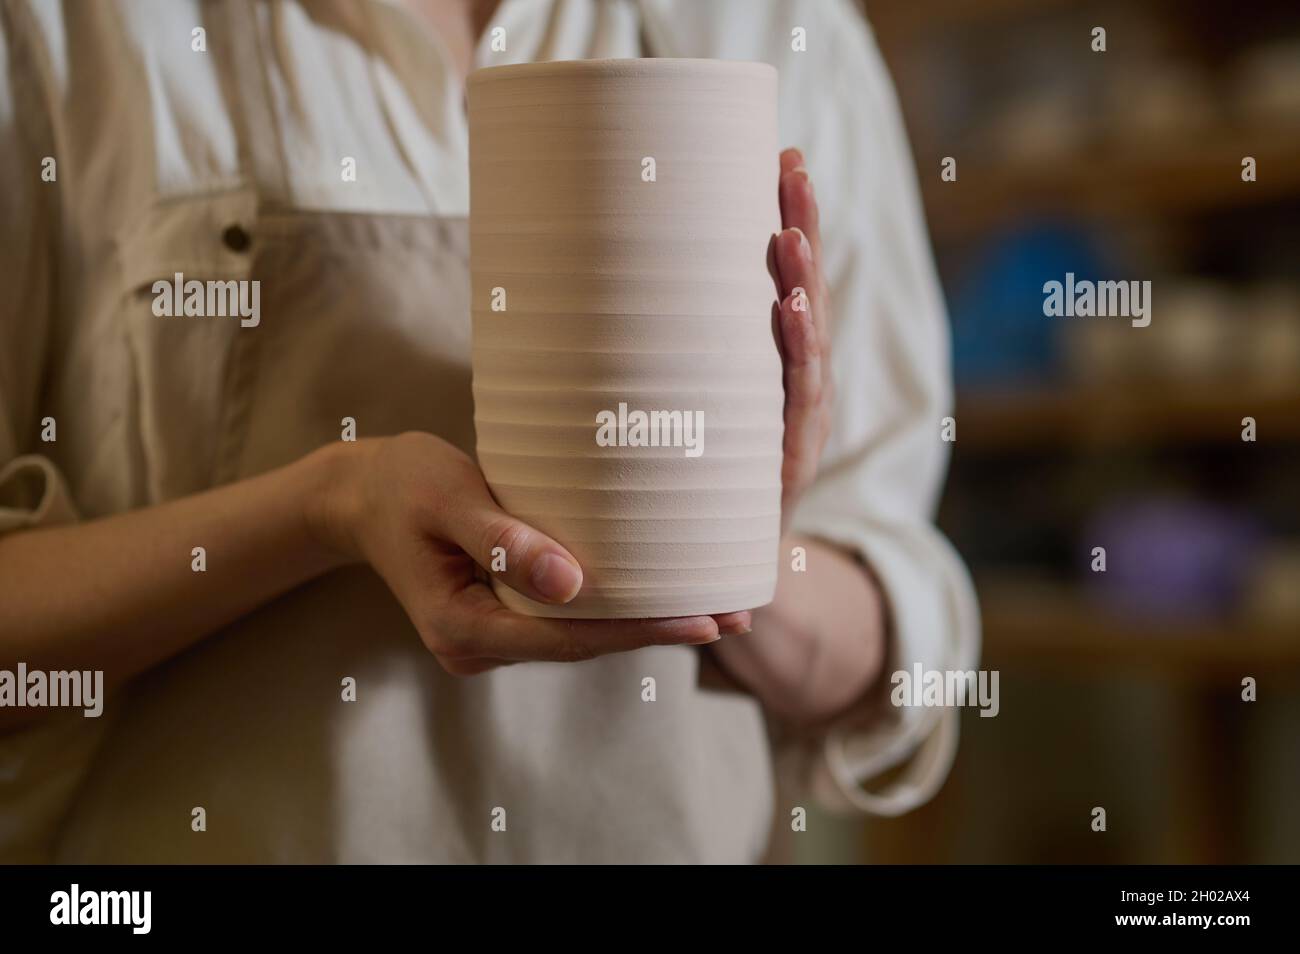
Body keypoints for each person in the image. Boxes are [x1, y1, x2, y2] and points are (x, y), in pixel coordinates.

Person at [0, 0, 978, 863]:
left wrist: (727, 543)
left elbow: (901, 649)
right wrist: (324, 508)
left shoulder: (779, 30)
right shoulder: (76, 30)